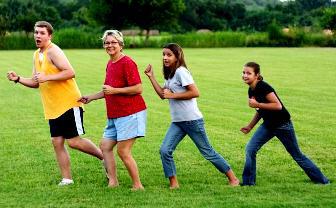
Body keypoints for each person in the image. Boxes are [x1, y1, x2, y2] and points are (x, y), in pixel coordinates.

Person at [6, 21, 104, 186]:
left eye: (42, 33)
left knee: (73, 141)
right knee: (57, 142)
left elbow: (70, 72)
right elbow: (36, 82)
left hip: (68, 103)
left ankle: (104, 157)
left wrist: (48, 77)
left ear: (49, 36)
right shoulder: (37, 54)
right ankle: (67, 179)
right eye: (36, 32)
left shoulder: (54, 51)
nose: (37, 35)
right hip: (53, 107)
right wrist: (18, 79)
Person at [144, 43, 239, 189]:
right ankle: (174, 183)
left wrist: (173, 95)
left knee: (207, 152)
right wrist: (151, 77)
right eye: (163, 54)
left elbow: (195, 92)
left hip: (192, 121)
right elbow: (164, 95)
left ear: (177, 57)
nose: (165, 57)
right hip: (178, 122)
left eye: (169, 55)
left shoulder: (181, 72)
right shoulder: (170, 74)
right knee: (165, 150)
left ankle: (233, 179)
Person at [240, 61, 330, 186]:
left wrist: (258, 104)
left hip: (282, 125)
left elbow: (278, 106)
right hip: (268, 125)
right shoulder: (251, 90)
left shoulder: (264, 87)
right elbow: (260, 111)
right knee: (250, 148)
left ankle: (322, 180)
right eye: (243, 72)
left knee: (297, 155)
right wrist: (250, 126)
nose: (244, 75)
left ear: (257, 75)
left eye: (248, 73)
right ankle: (248, 183)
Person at [79, 30, 146, 190]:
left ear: (121, 45)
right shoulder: (110, 64)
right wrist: (91, 97)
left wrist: (115, 91)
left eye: (113, 42)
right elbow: (107, 89)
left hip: (130, 113)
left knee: (123, 151)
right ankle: (113, 182)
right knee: (105, 146)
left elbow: (138, 88)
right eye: (107, 43)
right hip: (115, 115)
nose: (110, 45)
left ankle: (138, 185)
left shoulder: (127, 62)